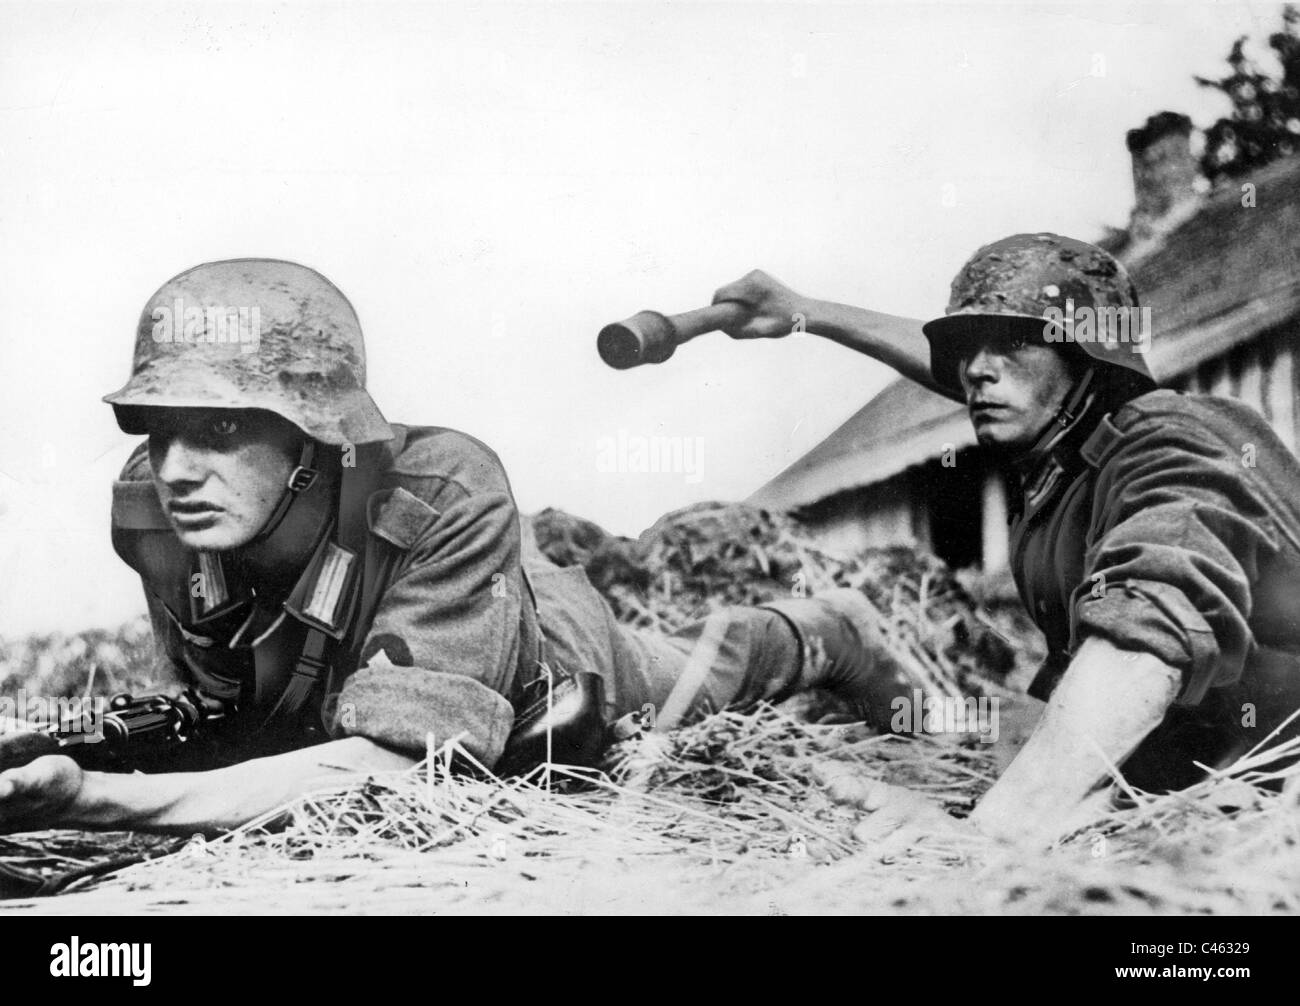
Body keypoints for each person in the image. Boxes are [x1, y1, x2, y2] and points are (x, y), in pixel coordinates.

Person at [0, 258, 906, 838]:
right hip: (352, 683)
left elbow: (397, 769)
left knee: (703, 674)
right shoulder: (147, 511)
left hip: (538, 653)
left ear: (317, 437)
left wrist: (103, 801)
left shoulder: (441, 487)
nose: (178, 469)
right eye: (158, 431)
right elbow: (233, 700)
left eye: (225, 426)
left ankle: (828, 628)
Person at [711, 233, 1300, 845]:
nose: (975, 371)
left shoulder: (1177, 441)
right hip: (1195, 801)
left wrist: (990, 838)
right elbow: (990, 366)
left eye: (1014, 341)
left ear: (1088, 357)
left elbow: (1150, 621)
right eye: (966, 351)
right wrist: (806, 311)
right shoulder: (1062, 456)